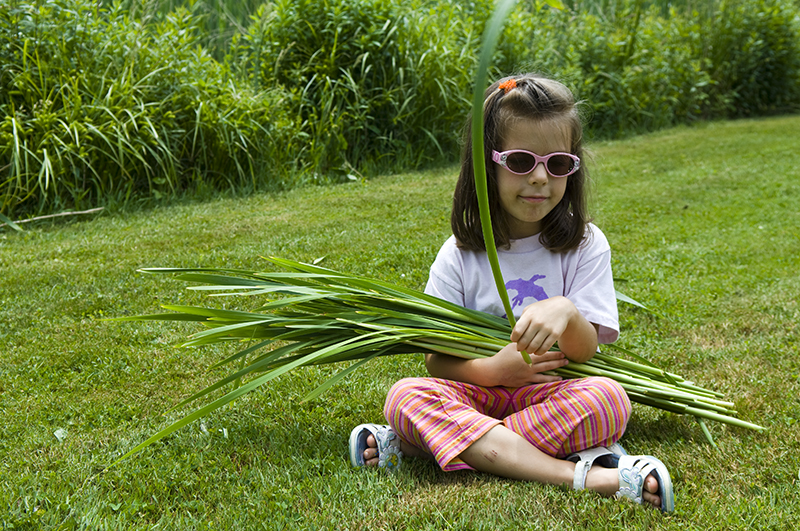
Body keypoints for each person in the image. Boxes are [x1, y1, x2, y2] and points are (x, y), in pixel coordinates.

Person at [349, 74, 674, 512]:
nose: (540, 178)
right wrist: (494, 372)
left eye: (558, 164)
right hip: (475, 394)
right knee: (405, 395)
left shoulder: (585, 244)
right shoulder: (461, 254)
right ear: (487, 164)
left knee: (609, 399)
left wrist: (565, 311)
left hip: (549, 393)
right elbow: (436, 359)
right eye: (520, 161)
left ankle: (421, 447)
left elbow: (586, 350)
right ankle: (583, 476)